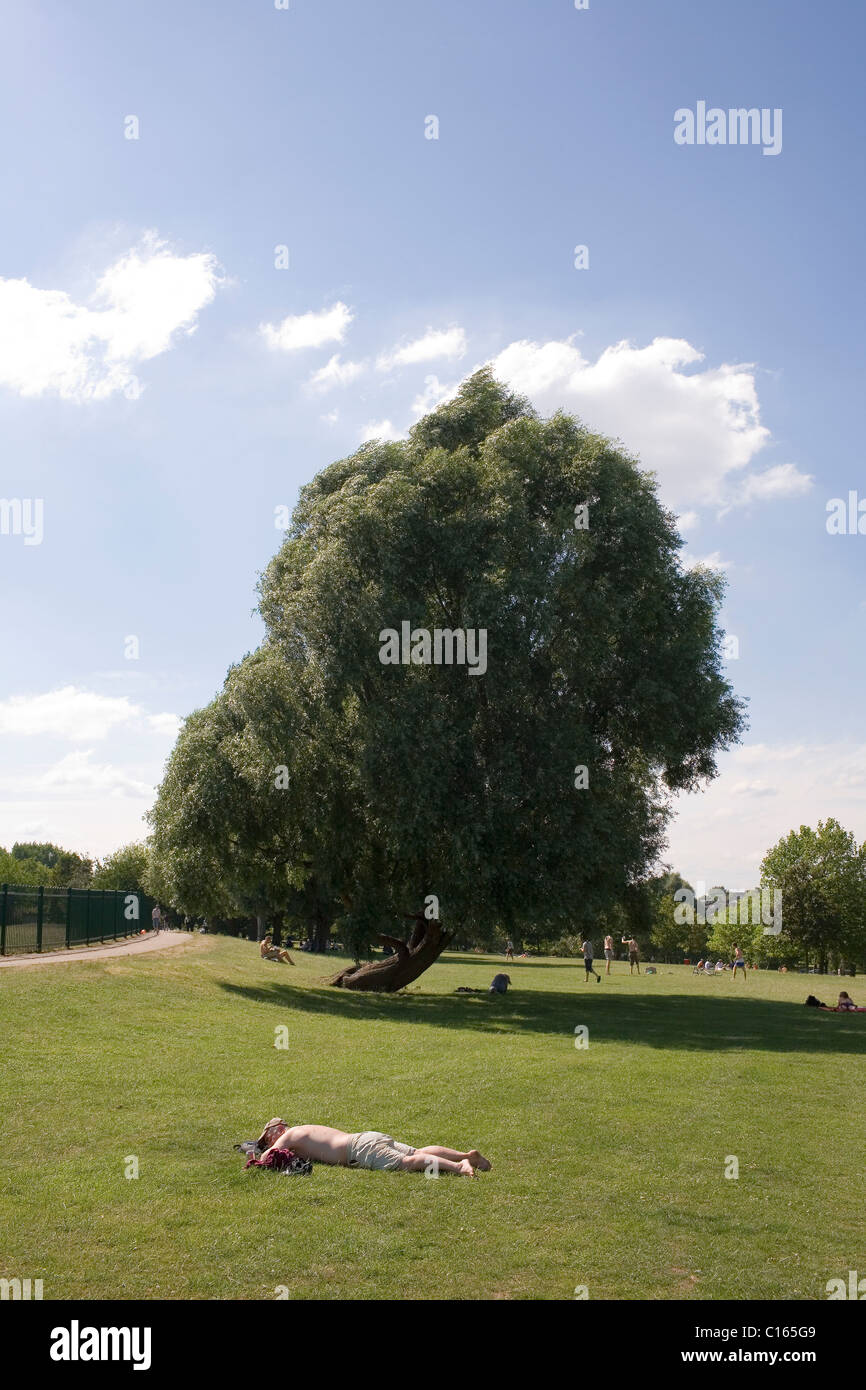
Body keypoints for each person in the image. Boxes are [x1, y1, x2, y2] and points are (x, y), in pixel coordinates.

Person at [254, 1118, 490, 1177]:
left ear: (276, 1132)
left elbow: (268, 1156)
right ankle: (466, 1155)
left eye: (268, 1138)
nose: (270, 1142)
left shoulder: (290, 1135)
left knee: (407, 1164)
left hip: (357, 1150)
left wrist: (257, 1152)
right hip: (366, 1137)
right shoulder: (304, 1130)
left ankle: (459, 1166)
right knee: (417, 1152)